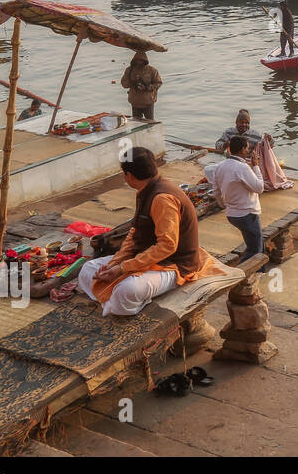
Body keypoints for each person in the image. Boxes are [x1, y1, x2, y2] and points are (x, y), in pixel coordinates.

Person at [77, 148, 219, 316]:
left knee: (127, 290)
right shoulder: (145, 191)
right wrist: (114, 264)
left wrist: (123, 268)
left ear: (128, 175)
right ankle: (113, 302)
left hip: (173, 265)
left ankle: (119, 302)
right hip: (144, 256)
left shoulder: (162, 199)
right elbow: (133, 234)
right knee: (88, 270)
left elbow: (167, 246)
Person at [204, 135, 266, 265]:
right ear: (243, 149)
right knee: (255, 250)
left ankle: (260, 272)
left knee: (257, 243)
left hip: (232, 214)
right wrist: (256, 166)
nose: (248, 151)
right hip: (247, 214)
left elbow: (216, 190)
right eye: (247, 148)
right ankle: (240, 273)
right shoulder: (242, 168)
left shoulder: (220, 166)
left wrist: (223, 205)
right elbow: (259, 188)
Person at [120, 51, 162, 121]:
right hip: (135, 102)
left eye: (141, 60)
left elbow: (158, 83)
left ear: (145, 61)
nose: (139, 62)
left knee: (150, 122)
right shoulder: (129, 70)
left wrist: (148, 87)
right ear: (134, 61)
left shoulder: (152, 70)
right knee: (136, 123)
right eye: (137, 60)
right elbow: (124, 84)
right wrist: (132, 83)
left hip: (148, 102)